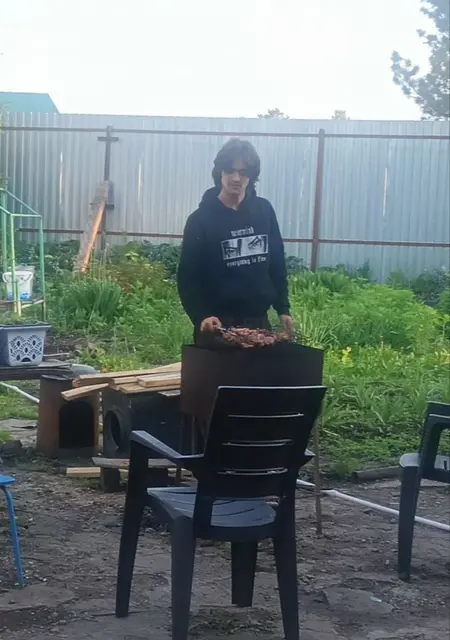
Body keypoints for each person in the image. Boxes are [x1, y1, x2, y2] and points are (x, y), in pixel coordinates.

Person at [177, 138, 293, 342]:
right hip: (217, 327)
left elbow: (277, 262)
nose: (236, 178)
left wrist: (283, 308)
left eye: (243, 172)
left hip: (258, 324)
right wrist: (201, 315)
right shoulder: (200, 220)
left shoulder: (264, 211)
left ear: (252, 176)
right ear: (220, 173)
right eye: (230, 170)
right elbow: (187, 277)